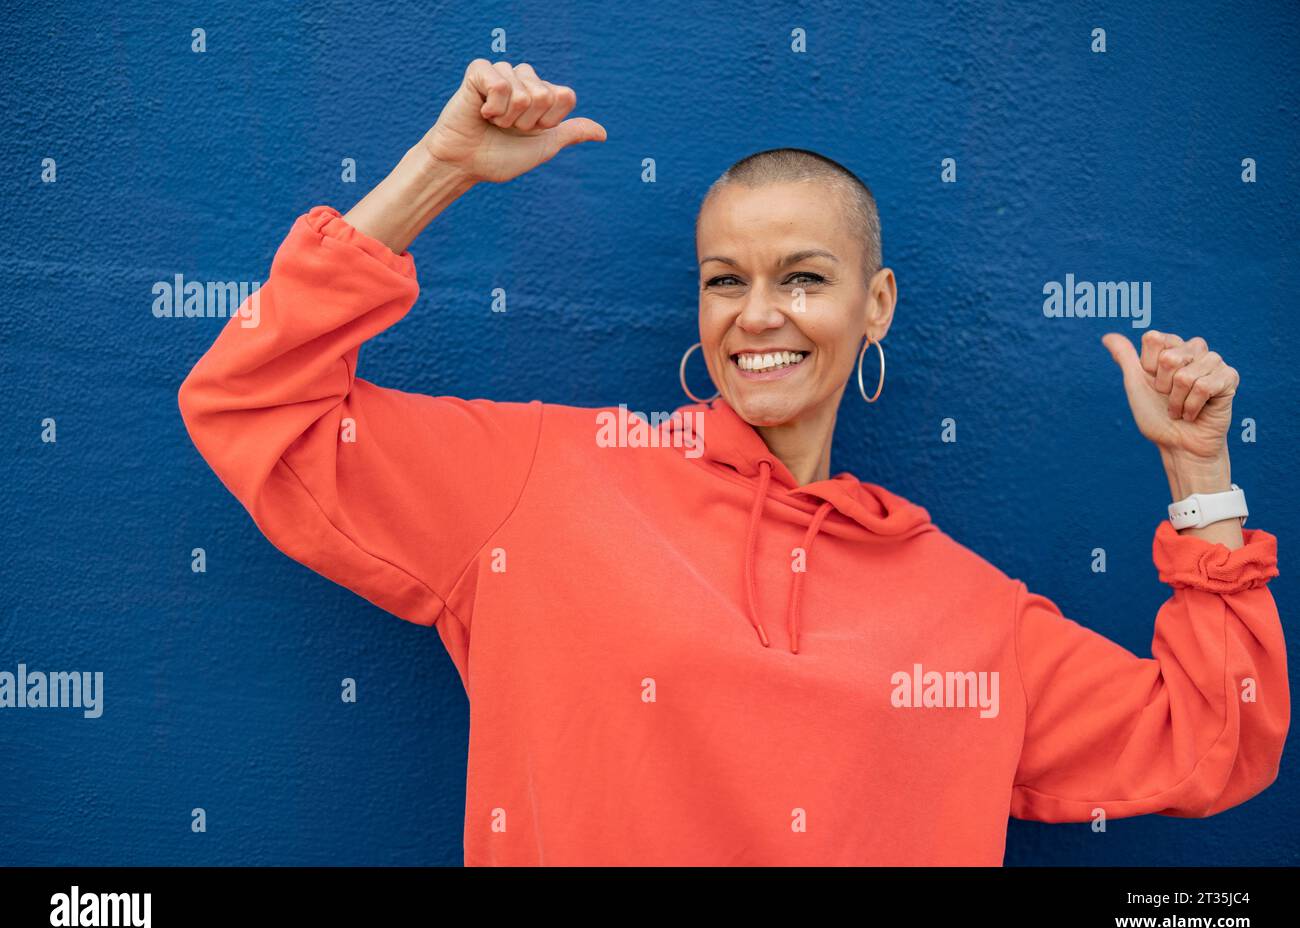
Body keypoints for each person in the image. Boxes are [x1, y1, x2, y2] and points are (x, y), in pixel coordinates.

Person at [177, 60, 1288, 866]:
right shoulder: (542, 481)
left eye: (804, 277)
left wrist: (1199, 474)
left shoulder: (972, 614)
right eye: (724, 280)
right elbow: (253, 402)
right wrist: (436, 172)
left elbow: (1212, 741)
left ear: (876, 305)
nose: (760, 315)